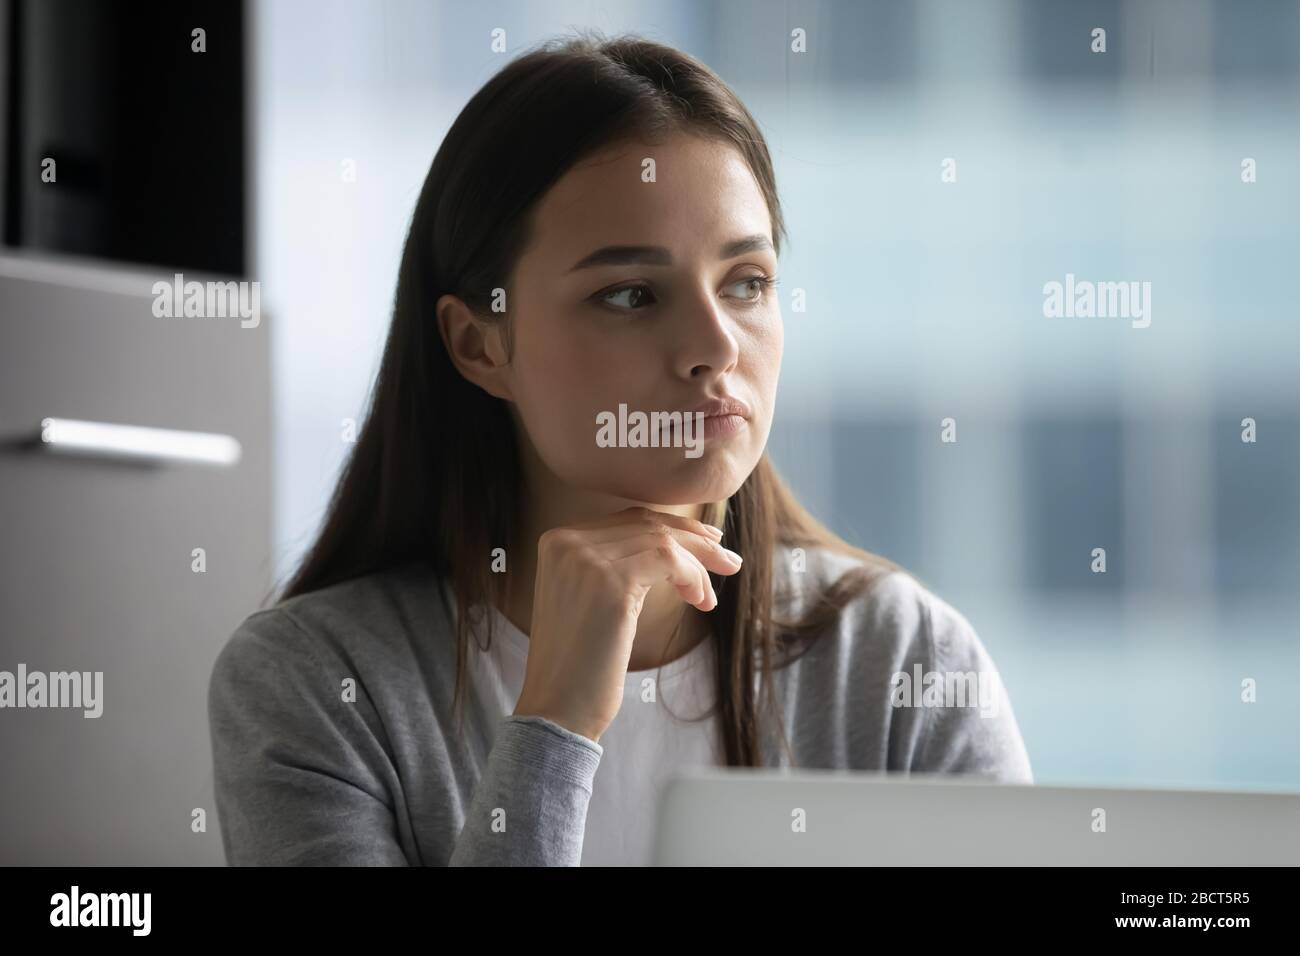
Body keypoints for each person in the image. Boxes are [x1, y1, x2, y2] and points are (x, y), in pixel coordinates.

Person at [207, 31, 1032, 867]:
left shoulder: (903, 658)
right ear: (480, 345)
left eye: (746, 283)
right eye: (631, 294)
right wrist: (553, 722)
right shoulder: (315, 681)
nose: (714, 346)